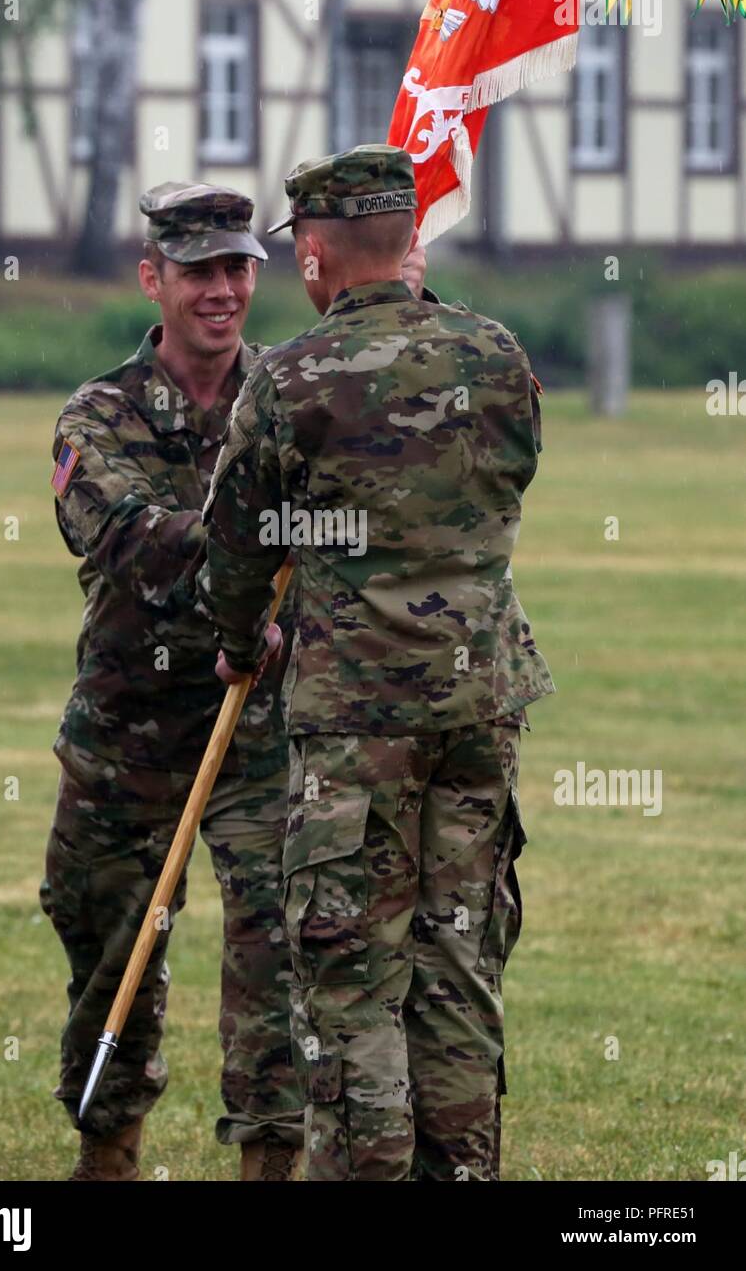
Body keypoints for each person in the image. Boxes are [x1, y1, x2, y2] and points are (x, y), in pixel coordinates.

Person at [197, 144, 555, 1181]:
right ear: (409, 242)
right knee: (458, 965)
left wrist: (237, 641)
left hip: (355, 723)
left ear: (312, 256)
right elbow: (511, 470)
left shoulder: (288, 380)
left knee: (352, 976)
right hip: (480, 704)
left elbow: (233, 551)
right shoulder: (494, 354)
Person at [39, 182, 304, 1181]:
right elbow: (133, 544)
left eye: (238, 267)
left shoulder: (290, 397)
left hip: (260, 729)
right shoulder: (98, 414)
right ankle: (108, 1154)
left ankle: (270, 1165)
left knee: (278, 948)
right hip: (131, 737)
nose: (222, 289)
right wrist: (270, 535)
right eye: (198, 270)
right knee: (112, 950)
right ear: (154, 278)